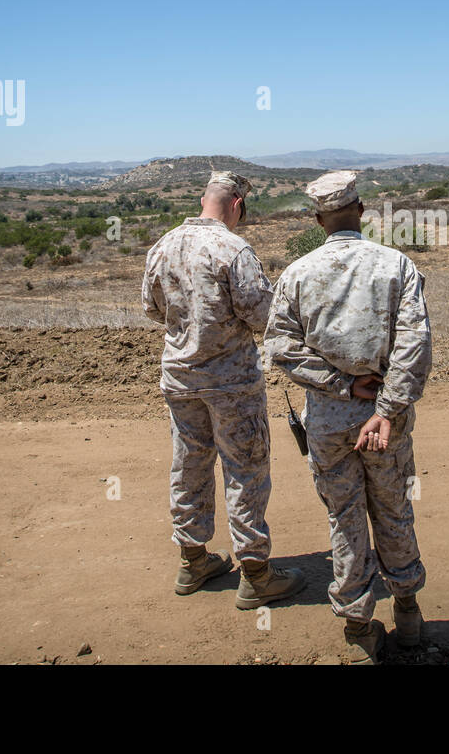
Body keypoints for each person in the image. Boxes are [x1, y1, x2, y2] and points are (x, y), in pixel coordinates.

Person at [263, 170, 432, 664]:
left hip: (329, 422)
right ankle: (408, 614)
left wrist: (339, 386)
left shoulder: (297, 273)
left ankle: (359, 628)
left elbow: (281, 347)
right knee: (394, 510)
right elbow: (413, 346)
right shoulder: (395, 265)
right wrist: (385, 409)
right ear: (360, 211)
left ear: (318, 220)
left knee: (344, 518)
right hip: (386, 421)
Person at [142, 170, 305, 610]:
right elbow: (260, 315)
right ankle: (255, 573)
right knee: (245, 470)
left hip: (179, 378)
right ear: (236, 204)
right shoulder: (234, 249)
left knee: (189, 464)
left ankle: (193, 559)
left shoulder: (163, 245)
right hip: (231, 382)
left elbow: (152, 308)